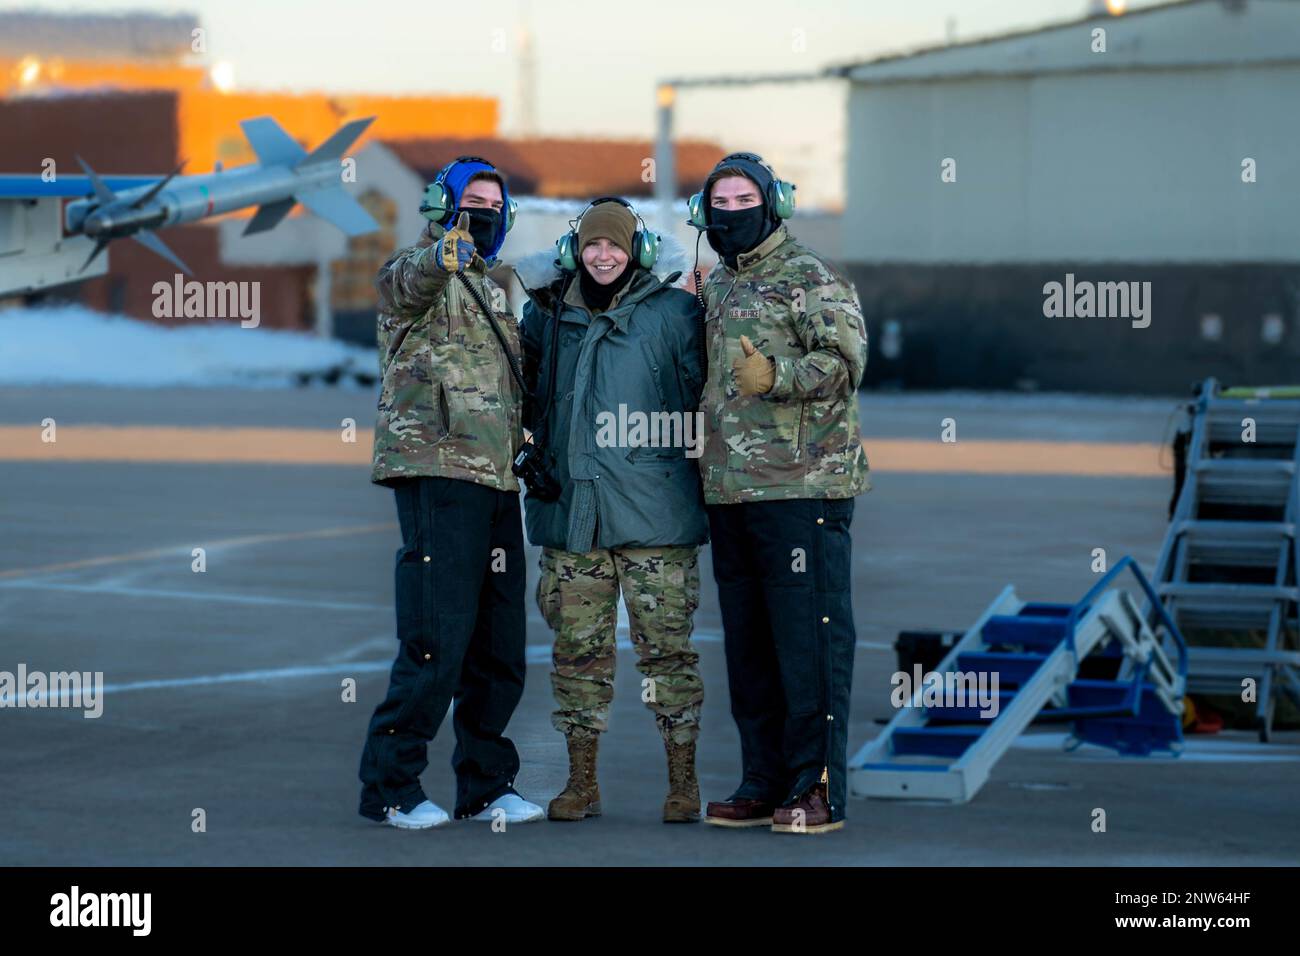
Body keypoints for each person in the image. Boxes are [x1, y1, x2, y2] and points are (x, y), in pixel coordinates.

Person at [357, 156, 543, 829]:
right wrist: (444, 252)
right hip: (437, 469)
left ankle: (487, 785)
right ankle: (390, 786)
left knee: (499, 644)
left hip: (495, 478)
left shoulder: (496, 292)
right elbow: (400, 283)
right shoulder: (421, 269)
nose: (485, 210)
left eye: (495, 200)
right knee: (435, 639)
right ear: (443, 205)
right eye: (473, 199)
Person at [690, 153, 870, 834]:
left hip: (803, 488)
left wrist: (781, 375)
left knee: (810, 642)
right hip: (732, 491)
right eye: (719, 202)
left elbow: (847, 362)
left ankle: (815, 787)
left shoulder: (811, 277)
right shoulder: (717, 288)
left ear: (772, 204)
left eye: (743, 200)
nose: (730, 212)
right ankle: (763, 781)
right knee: (750, 648)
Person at [514, 197, 708, 823]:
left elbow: (711, 399)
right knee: (577, 653)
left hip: (656, 513)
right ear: (575, 251)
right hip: (574, 514)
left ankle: (683, 782)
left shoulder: (678, 314)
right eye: (593, 245)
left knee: (667, 653)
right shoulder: (546, 316)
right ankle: (581, 783)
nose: (604, 256)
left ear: (638, 250)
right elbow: (519, 394)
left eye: (616, 245)